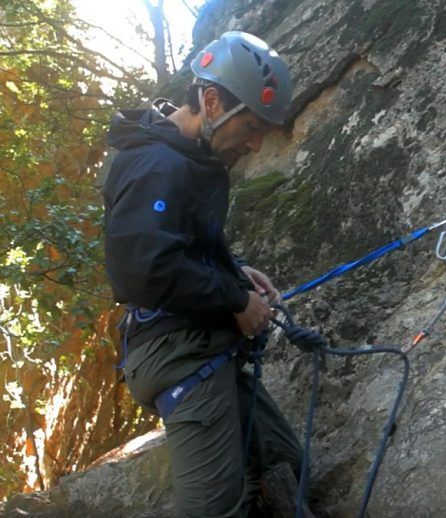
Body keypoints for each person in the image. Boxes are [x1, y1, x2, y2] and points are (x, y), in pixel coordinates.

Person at [102, 31, 314, 518]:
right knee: (216, 508)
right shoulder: (157, 163)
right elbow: (141, 269)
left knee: (284, 462)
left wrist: (233, 271)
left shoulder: (185, 160)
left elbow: (174, 246)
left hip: (196, 342)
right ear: (212, 100)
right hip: (178, 353)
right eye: (252, 126)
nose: (257, 143)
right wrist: (235, 300)